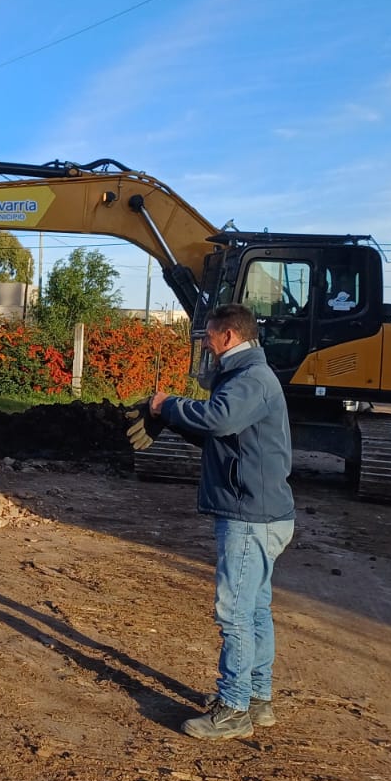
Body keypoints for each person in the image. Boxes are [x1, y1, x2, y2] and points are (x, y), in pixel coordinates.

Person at [150, 303, 295, 740]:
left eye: (209, 336)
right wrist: (169, 419)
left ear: (228, 336)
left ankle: (233, 709)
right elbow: (221, 432)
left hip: (249, 516)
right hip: (261, 513)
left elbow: (219, 418)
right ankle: (256, 699)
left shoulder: (251, 378)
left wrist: (169, 404)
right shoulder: (246, 376)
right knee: (254, 612)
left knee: (234, 614)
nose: (206, 344)